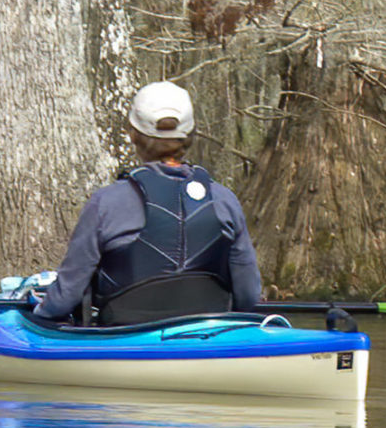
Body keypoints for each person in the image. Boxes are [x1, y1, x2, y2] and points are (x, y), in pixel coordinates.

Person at [31, 81, 261, 326]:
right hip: (208, 335)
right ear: (190, 136)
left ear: (132, 134)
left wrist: (37, 315)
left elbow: (66, 296)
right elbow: (248, 296)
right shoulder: (225, 199)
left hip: (125, 337)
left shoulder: (105, 202)